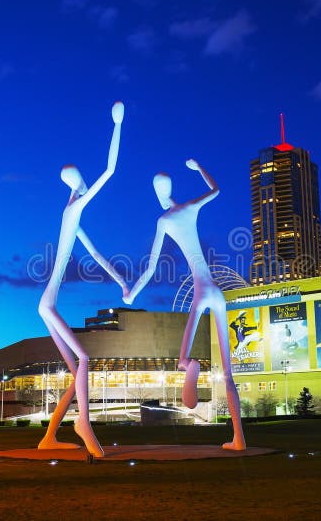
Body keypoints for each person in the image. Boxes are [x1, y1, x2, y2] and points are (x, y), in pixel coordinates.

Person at [124, 158, 246, 451]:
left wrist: (132, 293)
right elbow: (216, 189)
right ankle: (239, 439)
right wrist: (199, 167)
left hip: (201, 291)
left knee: (182, 359)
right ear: (172, 187)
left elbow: (152, 267)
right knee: (228, 373)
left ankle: (189, 365)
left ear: (157, 193)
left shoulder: (164, 221)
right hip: (217, 291)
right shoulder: (190, 207)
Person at [36, 102, 127, 458]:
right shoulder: (73, 208)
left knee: (77, 375)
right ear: (76, 184)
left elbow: (95, 253)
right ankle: (83, 423)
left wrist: (120, 279)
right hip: (47, 304)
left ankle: (48, 437)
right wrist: (117, 124)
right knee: (85, 361)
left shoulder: (72, 214)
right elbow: (110, 170)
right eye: (79, 180)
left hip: (47, 303)